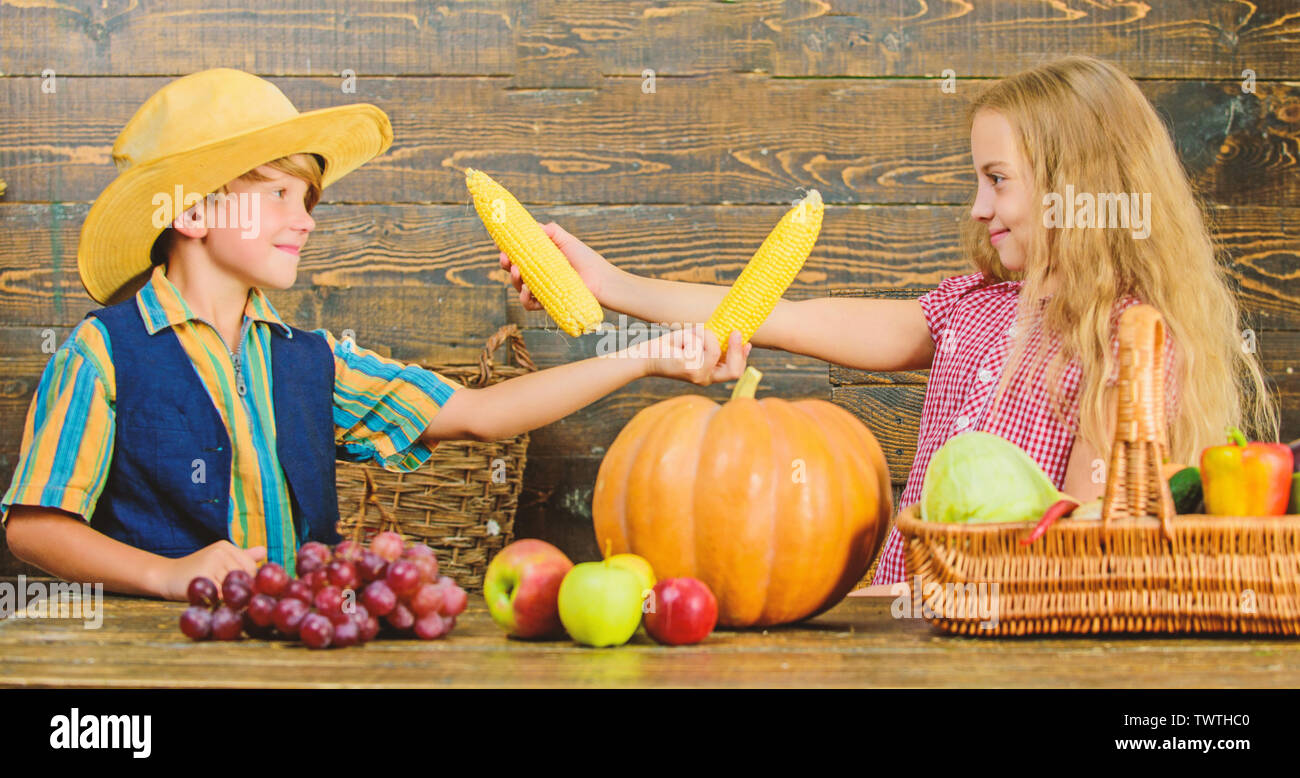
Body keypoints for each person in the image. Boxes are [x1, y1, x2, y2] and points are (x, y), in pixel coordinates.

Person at [499, 56, 1278, 586]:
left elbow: (1073, 548)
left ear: (1081, 183)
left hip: (1004, 640)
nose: (979, 208)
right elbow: (776, 315)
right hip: (905, 619)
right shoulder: (967, 307)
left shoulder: (1129, 342)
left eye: (998, 181)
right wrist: (612, 284)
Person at [0, 68, 751, 600]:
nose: (306, 220)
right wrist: (164, 573)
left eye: (311, 200)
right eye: (282, 196)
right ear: (193, 214)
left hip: (302, 655)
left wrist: (646, 355)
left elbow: (479, 413)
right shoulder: (102, 352)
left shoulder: (310, 361)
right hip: (158, 665)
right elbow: (34, 528)